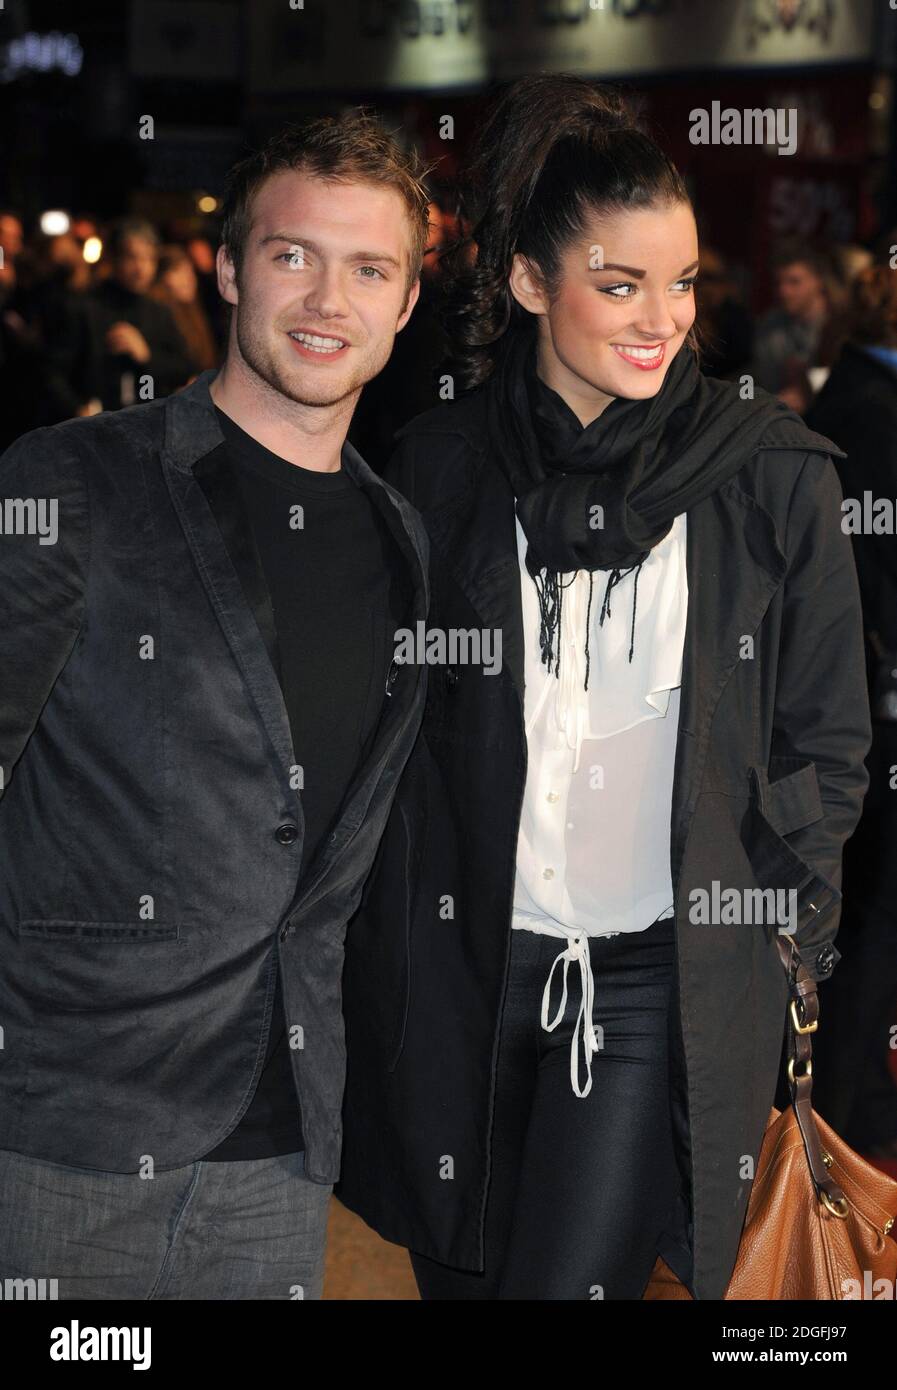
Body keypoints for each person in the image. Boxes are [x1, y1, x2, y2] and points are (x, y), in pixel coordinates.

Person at [336, 74, 872, 1300]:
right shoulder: (440, 466)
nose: (660, 319)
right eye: (619, 284)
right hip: (457, 980)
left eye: (680, 283)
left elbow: (829, 742)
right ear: (529, 282)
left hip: (646, 985)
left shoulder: (772, 474)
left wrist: (787, 936)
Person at [0, 112, 430, 1299]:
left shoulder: (406, 544)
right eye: (294, 254)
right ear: (231, 267)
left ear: (405, 303)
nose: (325, 298)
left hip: (282, 1151)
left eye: (369, 268)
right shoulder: (70, 482)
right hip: (63, 1135)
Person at [805, 260, 897, 1161]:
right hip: (874, 714)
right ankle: (851, 1120)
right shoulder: (874, 415)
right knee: (872, 927)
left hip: (859, 708)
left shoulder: (853, 398)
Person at [84, 217, 193, 410]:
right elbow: (56, 372)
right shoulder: (89, 307)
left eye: (149, 258)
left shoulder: (159, 312)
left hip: (147, 419)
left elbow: (183, 367)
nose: (141, 268)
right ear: (114, 259)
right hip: (95, 423)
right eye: (132, 257)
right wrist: (78, 406)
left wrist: (147, 355)